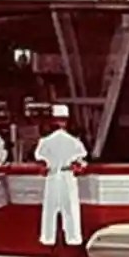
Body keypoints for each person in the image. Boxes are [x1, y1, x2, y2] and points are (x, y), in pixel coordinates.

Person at [34, 104, 87, 246]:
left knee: (50, 209)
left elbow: (40, 162)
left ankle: (48, 237)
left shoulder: (44, 141)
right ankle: (73, 237)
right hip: (67, 175)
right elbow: (81, 162)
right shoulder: (75, 142)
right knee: (70, 208)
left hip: (53, 176)